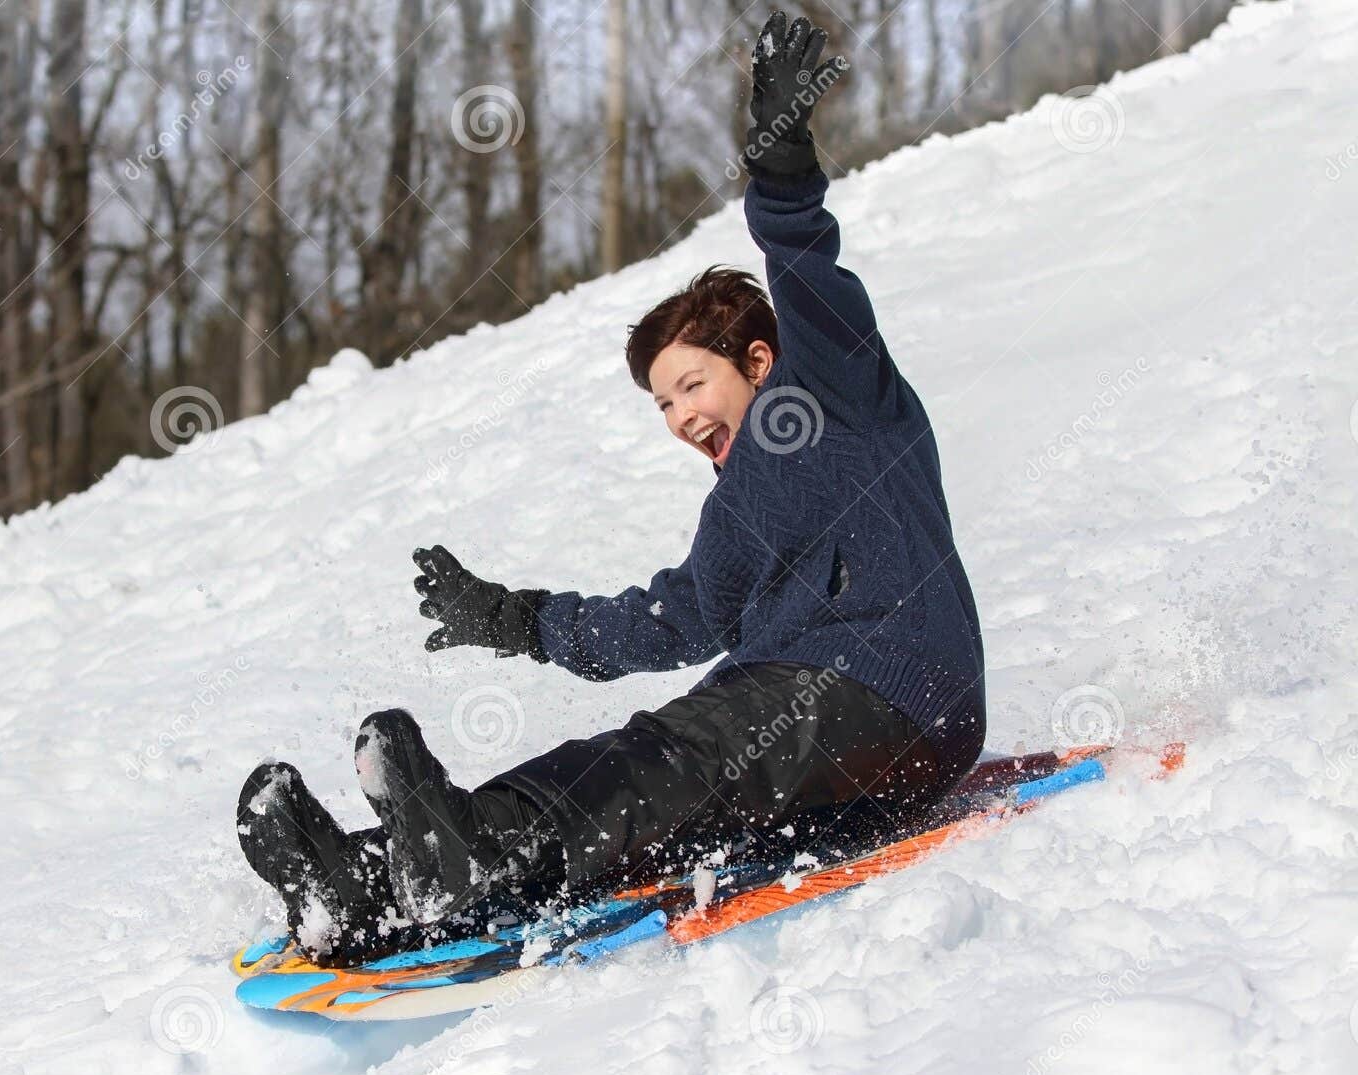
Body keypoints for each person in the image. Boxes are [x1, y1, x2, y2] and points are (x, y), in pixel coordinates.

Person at [236, 10, 986, 966]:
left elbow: (804, 267)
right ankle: (372, 882)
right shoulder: (740, 505)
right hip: (795, 713)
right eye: (662, 404)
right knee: (621, 759)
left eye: (691, 385)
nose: (678, 417)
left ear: (760, 361)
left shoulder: (837, 392)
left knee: (676, 762)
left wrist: (781, 163)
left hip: (901, 696)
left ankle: (456, 862)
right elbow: (674, 622)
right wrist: (519, 618)